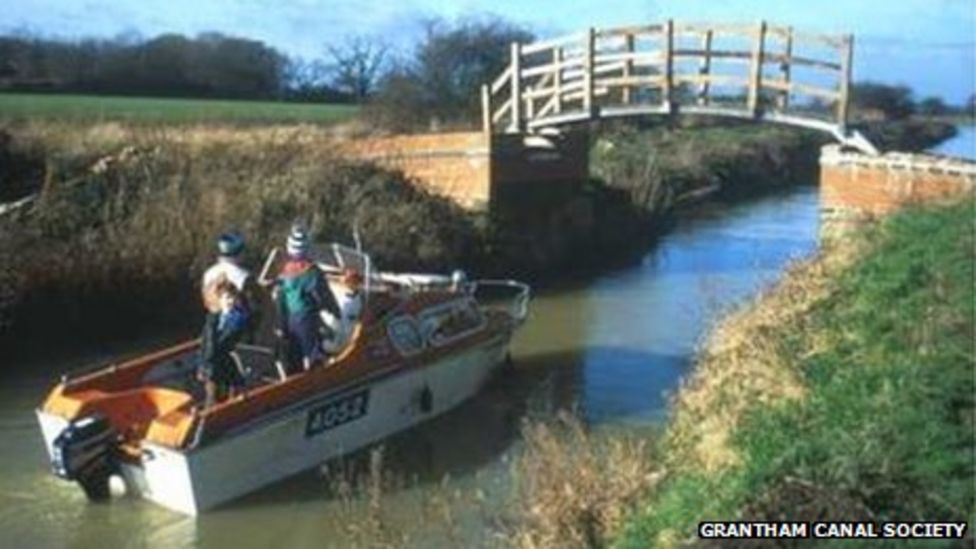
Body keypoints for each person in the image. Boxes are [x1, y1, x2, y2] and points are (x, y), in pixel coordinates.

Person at [274, 224, 340, 371]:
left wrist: (281, 325)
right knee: (312, 354)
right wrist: (336, 312)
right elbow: (324, 297)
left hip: (290, 319)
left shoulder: (285, 272)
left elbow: (280, 299)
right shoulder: (313, 273)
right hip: (307, 319)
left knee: (297, 354)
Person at [202, 232, 260, 340]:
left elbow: (207, 302)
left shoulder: (208, 274)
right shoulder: (244, 276)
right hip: (239, 333)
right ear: (239, 253)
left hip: (213, 329)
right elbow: (255, 307)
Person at [199, 280, 250, 404]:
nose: (230, 301)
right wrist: (202, 366)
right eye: (227, 298)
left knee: (229, 396)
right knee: (211, 396)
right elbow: (204, 344)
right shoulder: (212, 319)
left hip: (228, 364)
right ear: (220, 300)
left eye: (233, 298)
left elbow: (227, 341)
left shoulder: (239, 318)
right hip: (211, 366)